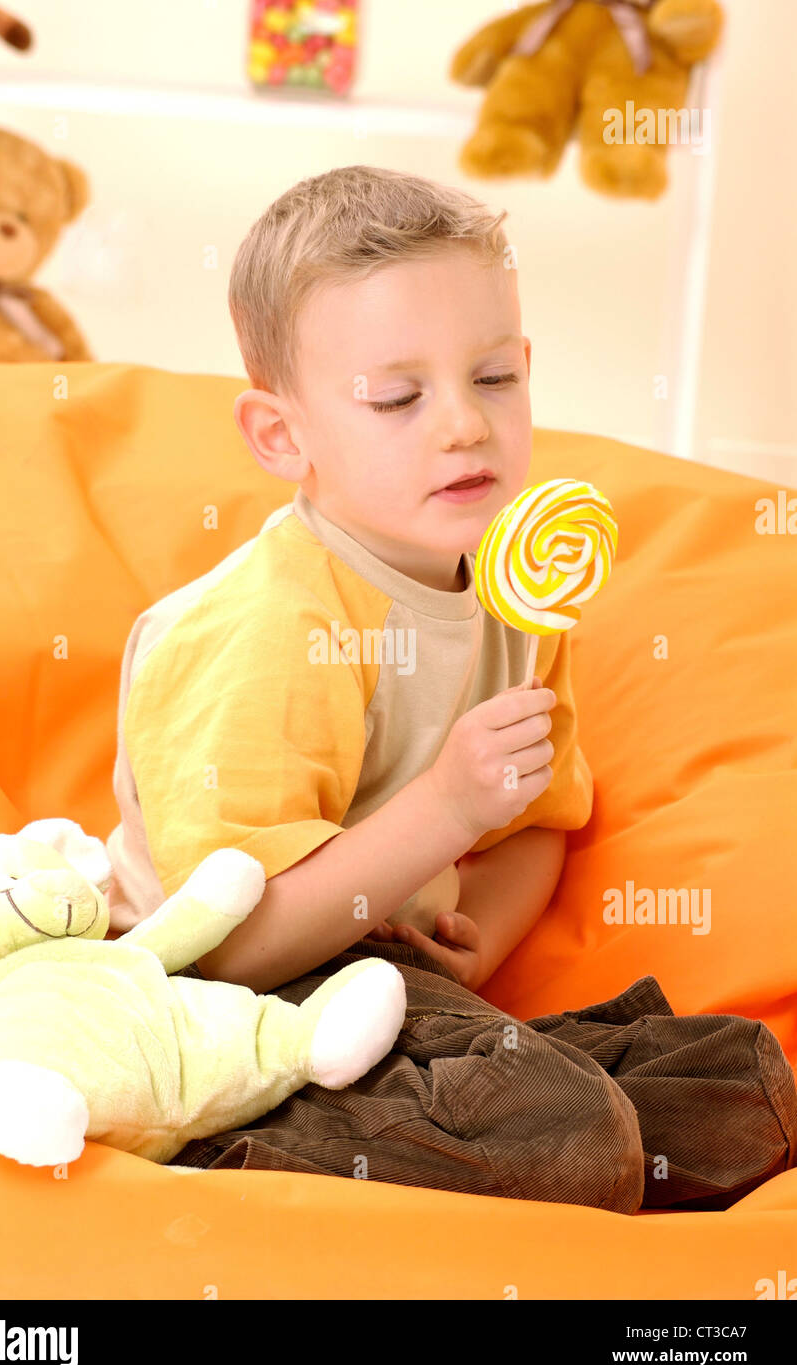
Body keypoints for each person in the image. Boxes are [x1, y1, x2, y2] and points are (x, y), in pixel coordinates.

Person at [105, 166, 796, 1212]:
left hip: (409, 987)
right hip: (230, 1003)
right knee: (562, 1126)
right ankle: (212, 1140)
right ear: (283, 437)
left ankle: (531, 1105)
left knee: (746, 1082)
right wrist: (442, 811)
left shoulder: (517, 591)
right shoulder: (267, 627)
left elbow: (540, 821)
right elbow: (232, 941)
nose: (464, 426)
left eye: (493, 379)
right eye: (398, 396)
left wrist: (485, 942)